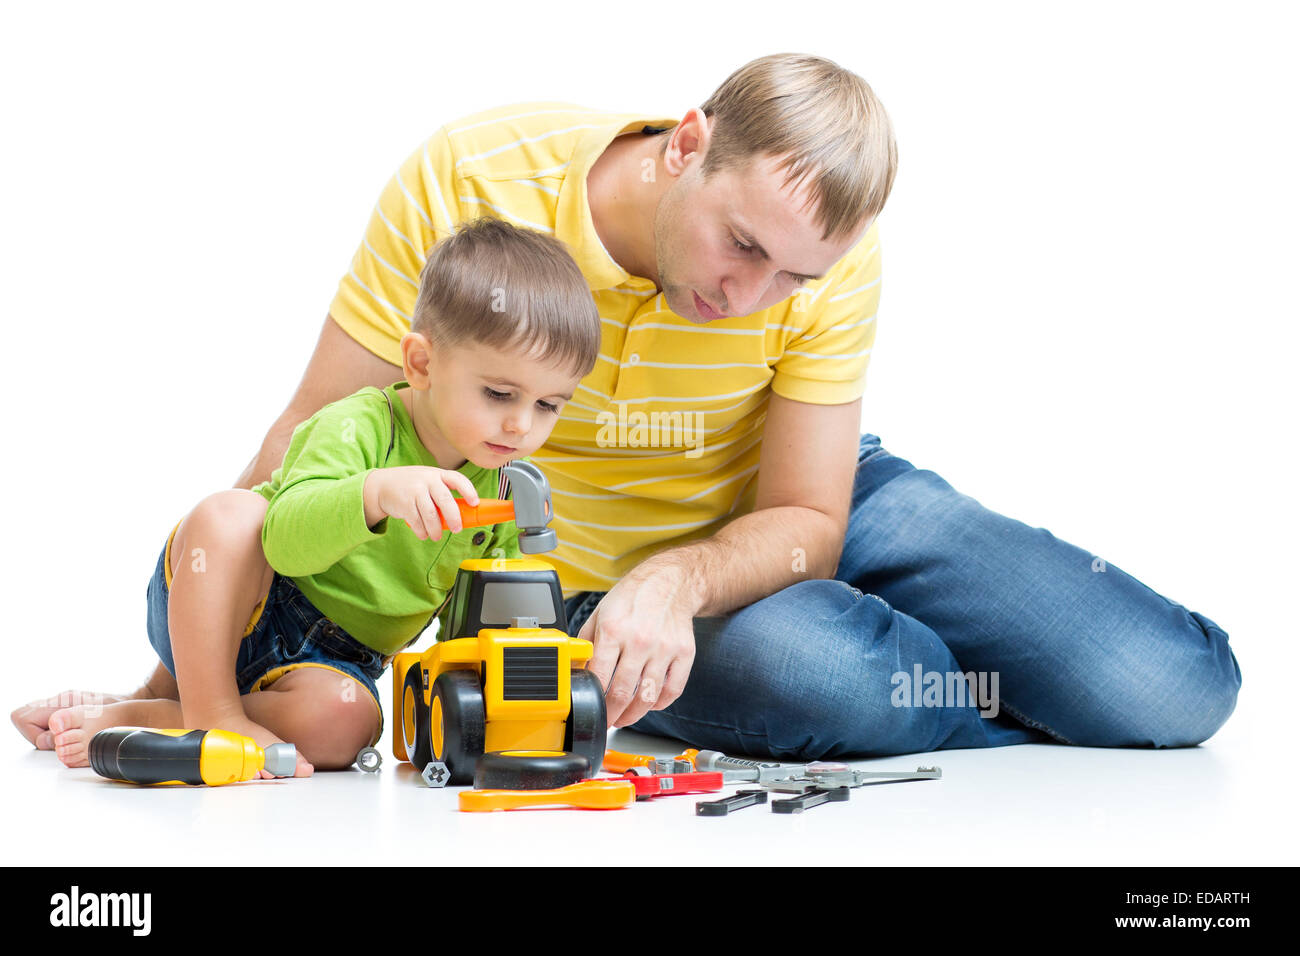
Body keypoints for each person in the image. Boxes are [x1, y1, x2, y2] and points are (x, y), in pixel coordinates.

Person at [17, 52, 1241, 764]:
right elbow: (310, 437)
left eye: (794, 278)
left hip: (792, 514)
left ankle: (958, 677)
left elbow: (810, 507)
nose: (749, 295)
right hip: (596, 575)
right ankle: (962, 692)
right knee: (820, 673)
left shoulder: (824, 255)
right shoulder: (472, 176)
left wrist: (690, 579)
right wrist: (187, 669)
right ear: (685, 145)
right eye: (741, 243)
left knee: (1174, 690)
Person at [13, 219, 601, 773]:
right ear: (421, 363)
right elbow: (285, 543)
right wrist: (374, 494)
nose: (523, 425)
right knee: (229, 515)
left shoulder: (502, 491)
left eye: (549, 404)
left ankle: (156, 716)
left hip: (330, 666)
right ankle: (209, 713)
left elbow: (470, 632)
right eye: (500, 393)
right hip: (250, 604)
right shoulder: (358, 425)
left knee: (350, 718)